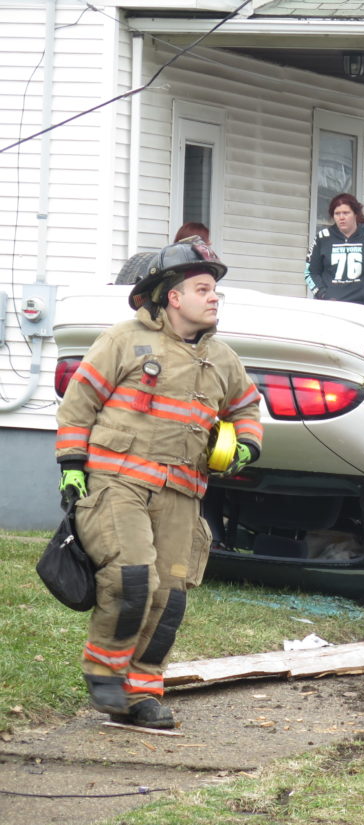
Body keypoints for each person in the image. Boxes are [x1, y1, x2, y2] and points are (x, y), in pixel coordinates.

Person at [55, 238, 263, 729]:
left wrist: (247, 445)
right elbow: (78, 403)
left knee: (170, 595)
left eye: (216, 291)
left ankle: (140, 693)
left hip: (182, 492)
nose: (214, 298)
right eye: (204, 288)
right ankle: (105, 673)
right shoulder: (123, 341)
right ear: (173, 296)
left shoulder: (223, 358)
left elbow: (247, 407)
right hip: (117, 483)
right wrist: (70, 462)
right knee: (133, 578)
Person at [304, 192, 364, 305]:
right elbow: (310, 272)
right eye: (337, 213)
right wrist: (323, 294)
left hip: (362, 306)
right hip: (331, 306)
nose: (341, 217)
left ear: (355, 214)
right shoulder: (323, 238)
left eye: (346, 213)